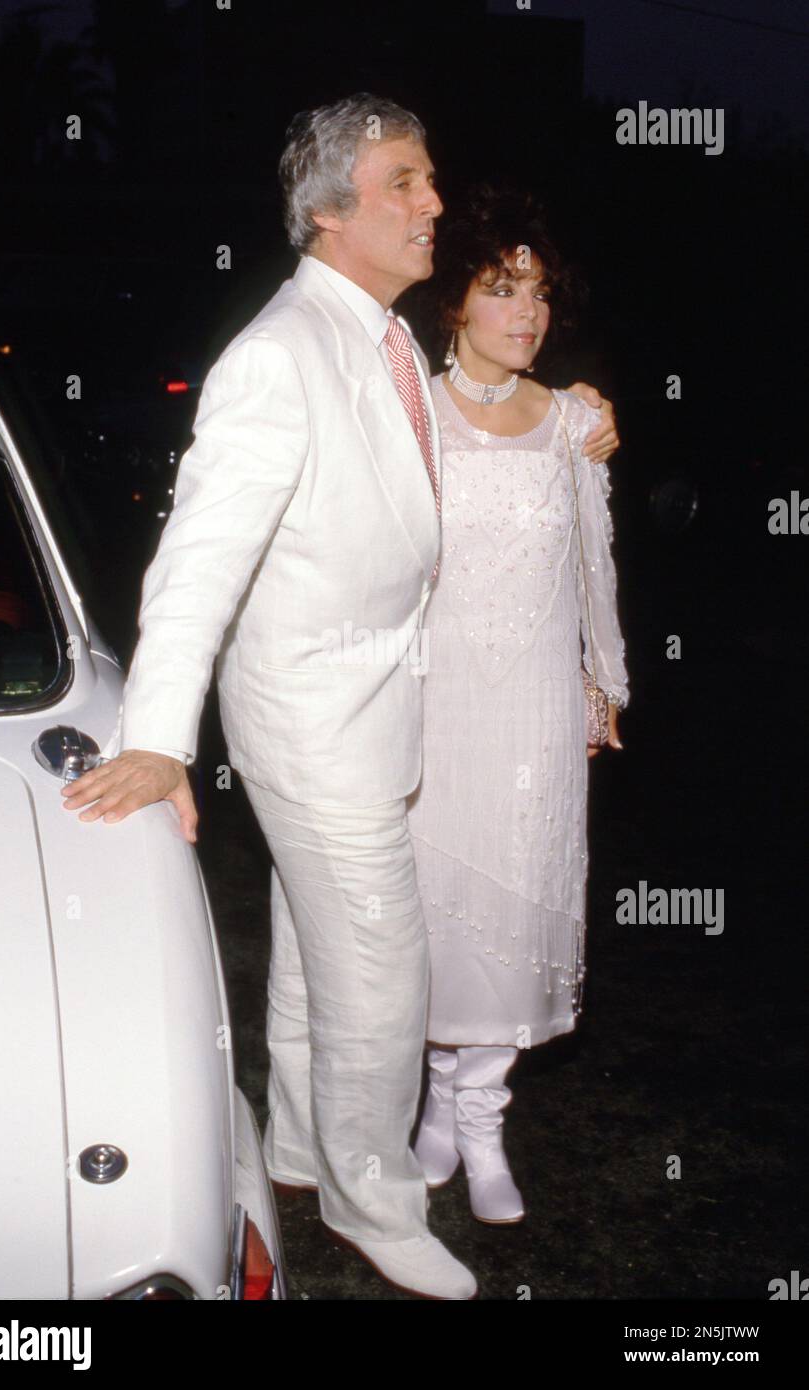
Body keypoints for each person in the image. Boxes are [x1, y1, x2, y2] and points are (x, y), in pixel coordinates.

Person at [59, 97, 618, 1299]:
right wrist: (159, 739)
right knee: (380, 964)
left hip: (376, 710)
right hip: (315, 725)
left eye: (430, 181)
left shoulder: (381, 338)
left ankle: (310, 1149)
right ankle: (377, 1197)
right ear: (329, 213)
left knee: (318, 961)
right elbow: (198, 561)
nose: (431, 204)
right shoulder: (279, 355)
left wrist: (581, 419)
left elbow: (469, 446)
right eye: (405, 184)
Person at [407, 185, 629, 1225]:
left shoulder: (576, 423)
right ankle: (433, 1110)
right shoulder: (404, 403)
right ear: (453, 299)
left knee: (508, 909)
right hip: (429, 703)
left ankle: (482, 1119)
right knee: (430, 909)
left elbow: (595, 571)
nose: (526, 313)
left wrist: (605, 683)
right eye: (501, 290)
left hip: (534, 711)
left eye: (537, 293)